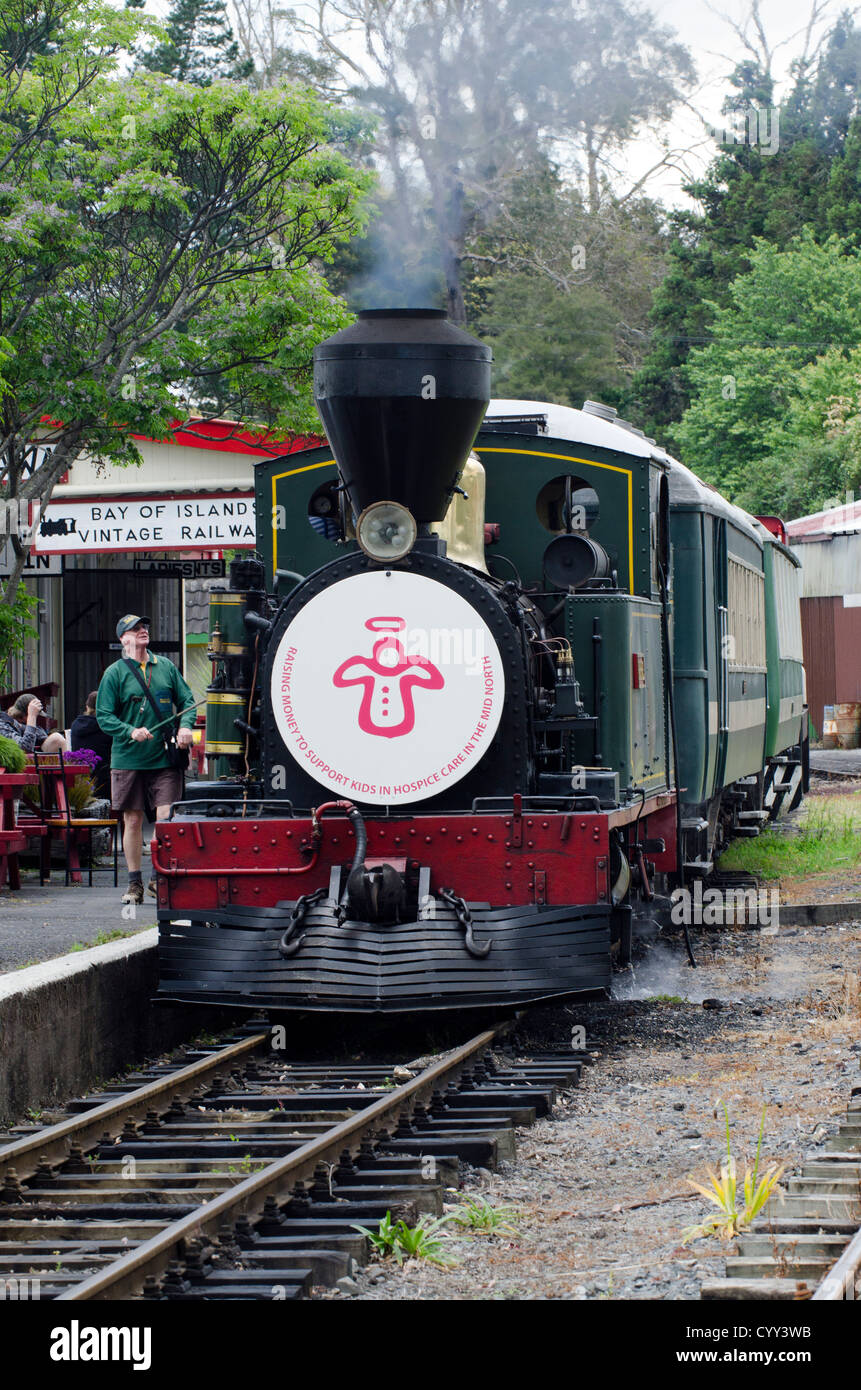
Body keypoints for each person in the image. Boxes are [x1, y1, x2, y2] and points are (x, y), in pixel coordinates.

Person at [96, 615, 195, 905]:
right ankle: (134, 884)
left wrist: (186, 726)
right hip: (128, 758)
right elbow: (104, 716)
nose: (143, 631)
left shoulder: (164, 667)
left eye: (145, 627)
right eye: (136, 628)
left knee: (165, 819)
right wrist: (130, 730)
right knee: (132, 820)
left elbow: (188, 701)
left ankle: (158, 878)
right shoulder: (114, 674)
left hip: (164, 758)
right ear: (123, 638)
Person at [70, 691, 113, 798]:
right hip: (103, 783)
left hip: (79, 783)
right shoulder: (107, 727)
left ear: (87, 706)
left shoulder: (75, 724)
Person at [0, 693, 67, 753]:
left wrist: (24, 727)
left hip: (32, 762)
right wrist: (32, 717)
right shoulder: (3, 724)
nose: (35, 720)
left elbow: (43, 735)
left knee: (56, 738)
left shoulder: (23, 724)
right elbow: (25, 748)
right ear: (23, 717)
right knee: (56, 738)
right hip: (17, 764)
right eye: (36, 716)